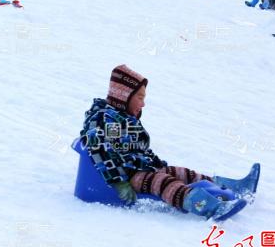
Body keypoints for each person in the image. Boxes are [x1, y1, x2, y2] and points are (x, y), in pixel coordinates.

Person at [79, 65, 257, 219]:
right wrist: (118, 181)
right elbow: (99, 148)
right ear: (124, 96)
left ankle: (234, 186)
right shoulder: (107, 120)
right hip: (127, 175)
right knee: (165, 183)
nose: (143, 104)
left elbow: (139, 148)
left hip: (140, 167)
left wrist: (156, 163)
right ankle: (209, 208)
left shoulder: (123, 117)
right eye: (140, 98)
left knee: (181, 173)